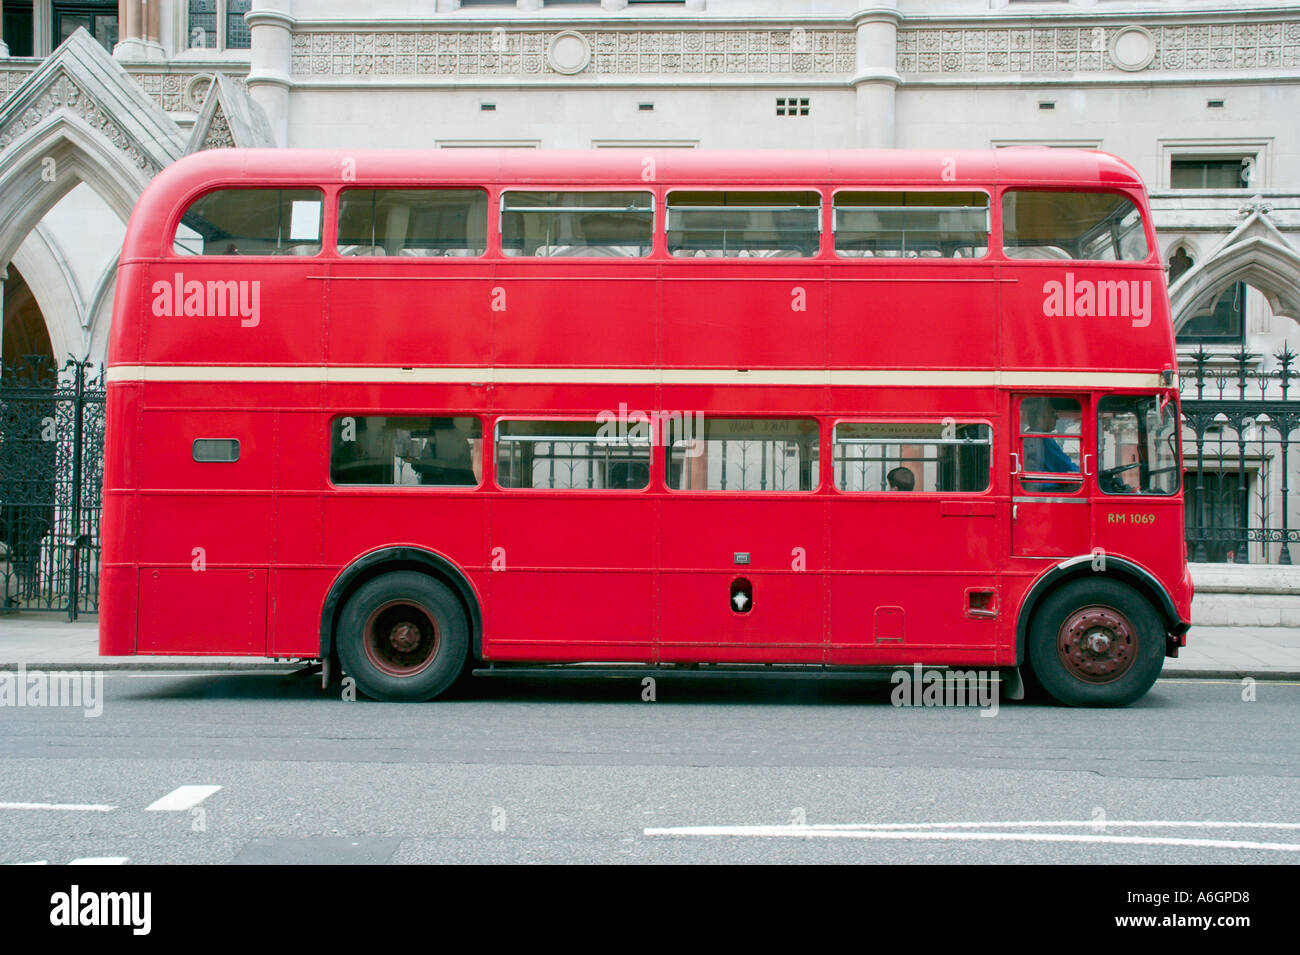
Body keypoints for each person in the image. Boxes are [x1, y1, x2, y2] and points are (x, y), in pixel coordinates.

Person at [1022, 398, 1080, 491]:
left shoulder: (1029, 436)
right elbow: (1063, 465)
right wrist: (1082, 472)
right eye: (1052, 413)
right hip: (1045, 489)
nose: (1057, 418)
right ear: (1040, 418)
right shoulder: (1042, 438)